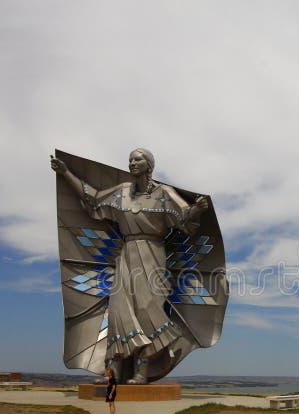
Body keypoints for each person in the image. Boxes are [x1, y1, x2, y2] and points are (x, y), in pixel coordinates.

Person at [51, 148, 208, 384]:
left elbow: (184, 217)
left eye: (137, 159)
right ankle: (113, 371)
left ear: (149, 165)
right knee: (119, 310)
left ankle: (141, 371)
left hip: (152, 254)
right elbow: (93, 199)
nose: (132, 163)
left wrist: (198, 208)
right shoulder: (122, 192)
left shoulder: (164, 194)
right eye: (130, 160)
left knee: (147, 311)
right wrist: (66, 173)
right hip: (127, 254)